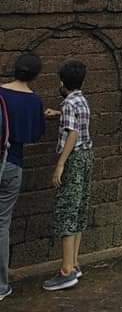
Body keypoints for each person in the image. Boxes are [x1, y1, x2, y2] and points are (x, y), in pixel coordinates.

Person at [43, 60, 93, 293]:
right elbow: (75, 118)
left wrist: (60, 165)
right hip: (87, 157)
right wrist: (58, 113)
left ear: (62, 83)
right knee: (79, 208)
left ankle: (66, 271)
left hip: (73, 159)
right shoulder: (80, 100)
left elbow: (72, 133)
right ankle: (74, 262)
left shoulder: (69, 103)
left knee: (66, 210)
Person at [0, 54, 46, 303]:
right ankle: (0, 285)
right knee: (1, 224)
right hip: (12, 164)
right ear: (36, 75)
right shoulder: (34, 101)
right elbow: (35, 134)